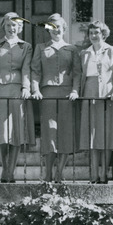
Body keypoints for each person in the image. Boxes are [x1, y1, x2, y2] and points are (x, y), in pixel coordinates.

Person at [0, 12, 34, 183]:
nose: (12, 28)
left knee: (16, 134)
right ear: (3, 26)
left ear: (19, 27)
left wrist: (26, 87)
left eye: (15, 25)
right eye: (8, 25)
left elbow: (26, 68)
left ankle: (10, 172)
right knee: (1, 134)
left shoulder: (26, 46)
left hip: (18, 92)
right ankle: (5, 168)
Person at [30, 13, 80, 183]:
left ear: (64, 28)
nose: (56, 30)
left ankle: (60, 172)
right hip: (48, 94)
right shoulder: (41, 47)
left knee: (65, 132)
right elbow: (35, 71)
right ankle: (48, 173)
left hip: (67, 95)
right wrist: (35, 89)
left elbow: (77, 73)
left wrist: (75, 90)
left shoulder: (72, 49)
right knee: (50, 132)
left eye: (59, 26)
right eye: (52, 27)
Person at [77, 20, 113, 184]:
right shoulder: (84, 53)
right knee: (92, 135)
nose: (93, 35)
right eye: (91, 33)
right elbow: (79, 76)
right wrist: (75, 92)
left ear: (103, 34)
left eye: (97, 32)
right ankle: (94, 174)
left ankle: (104, 173)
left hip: (107, 96)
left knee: (106, 136)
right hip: (89, 95)